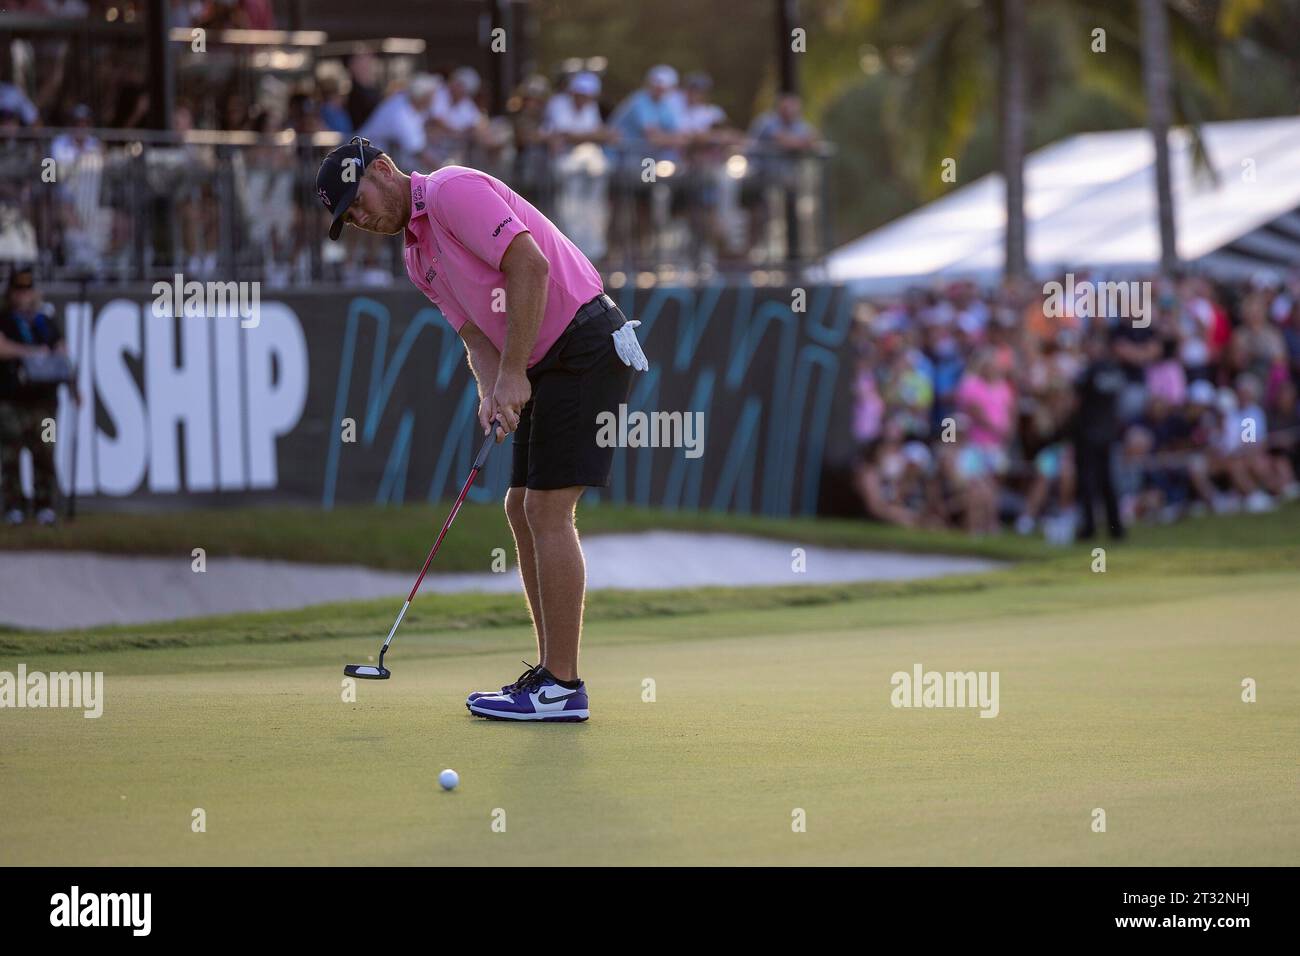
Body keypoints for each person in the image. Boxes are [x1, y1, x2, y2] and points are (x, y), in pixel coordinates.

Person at [315, 137, 648, 722]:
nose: (359, 218)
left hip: (587, 344)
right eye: (348, 217)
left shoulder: (450, 190)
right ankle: (549, 676)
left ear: (385, 170)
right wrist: (493, 389)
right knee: (519, 507)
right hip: (543, 360)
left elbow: (530, 265)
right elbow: (474, 334)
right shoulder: (417, 259)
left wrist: (515, 372)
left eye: (357, 200)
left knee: (547, 511)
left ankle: (563, 687)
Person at [0, 269, 65, 526]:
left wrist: (73, 388)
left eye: (27, 291)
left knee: (46, 453)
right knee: (10, 455)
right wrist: (33, 353)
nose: (23, 296)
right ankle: (13, 505)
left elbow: (62, 351)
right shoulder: (4, 319)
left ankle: (45, 505)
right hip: (12, 403)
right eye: (19, 291)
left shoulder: (44, 321)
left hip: (45, 405)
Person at [1072, 326, 1126, 540]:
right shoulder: (1115, 370)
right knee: (1108, 482)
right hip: (1108, 433)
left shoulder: (1088, 371)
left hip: (1087, 433)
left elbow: (1075, 401)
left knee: (1087, 482)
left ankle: (1089, 528)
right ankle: (1116, 528)